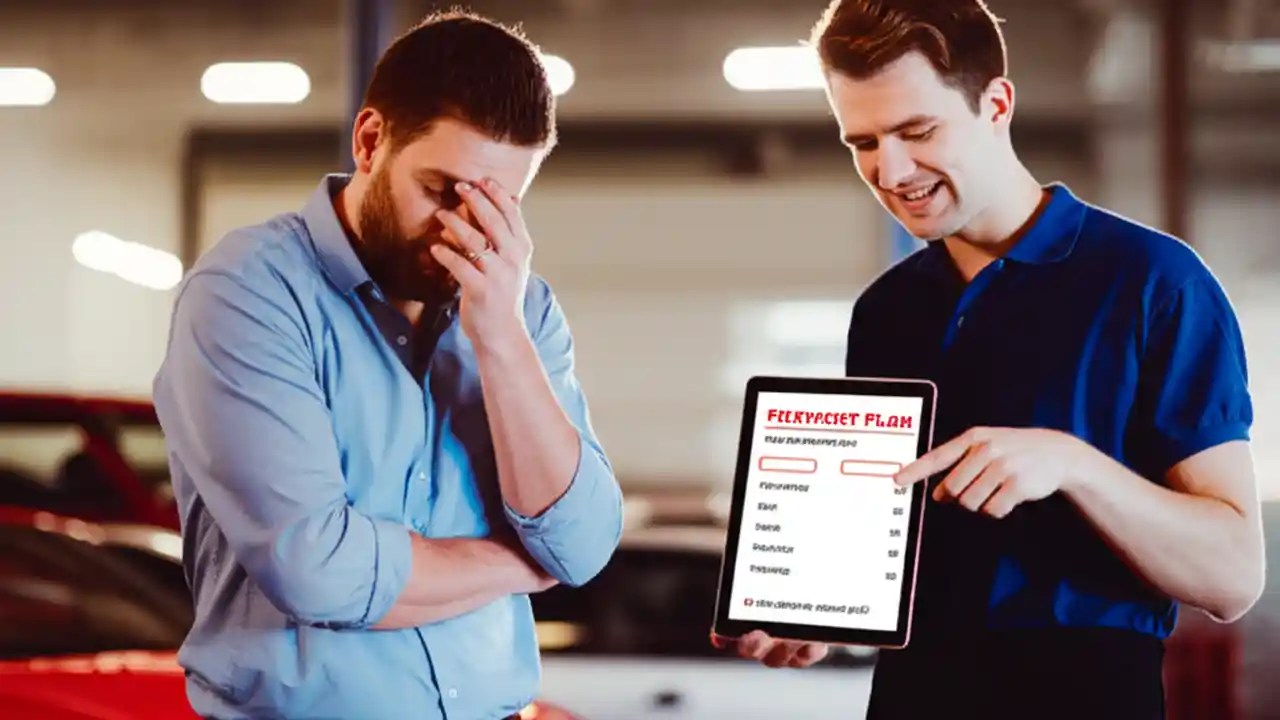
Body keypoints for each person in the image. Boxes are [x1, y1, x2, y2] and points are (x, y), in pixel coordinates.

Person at [724, 1, 1267, 718]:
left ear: (996, 104)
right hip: (913, 694)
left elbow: (1233, 576)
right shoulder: (886, 311)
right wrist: (814, 607)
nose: (890, 170)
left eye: (917, 131)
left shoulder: (1151, 282)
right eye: (862, 141)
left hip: (1083, 692)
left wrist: (1072, 464)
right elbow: (889, 550)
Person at [152, 11, 623, 720]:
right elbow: (318, 570)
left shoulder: (519, 307)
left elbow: (583, 545)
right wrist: (520, 563)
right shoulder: (248, 292)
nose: (462, 234)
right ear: (371, 141)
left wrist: (500, 338)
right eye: (442, 191)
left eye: (497, 205)